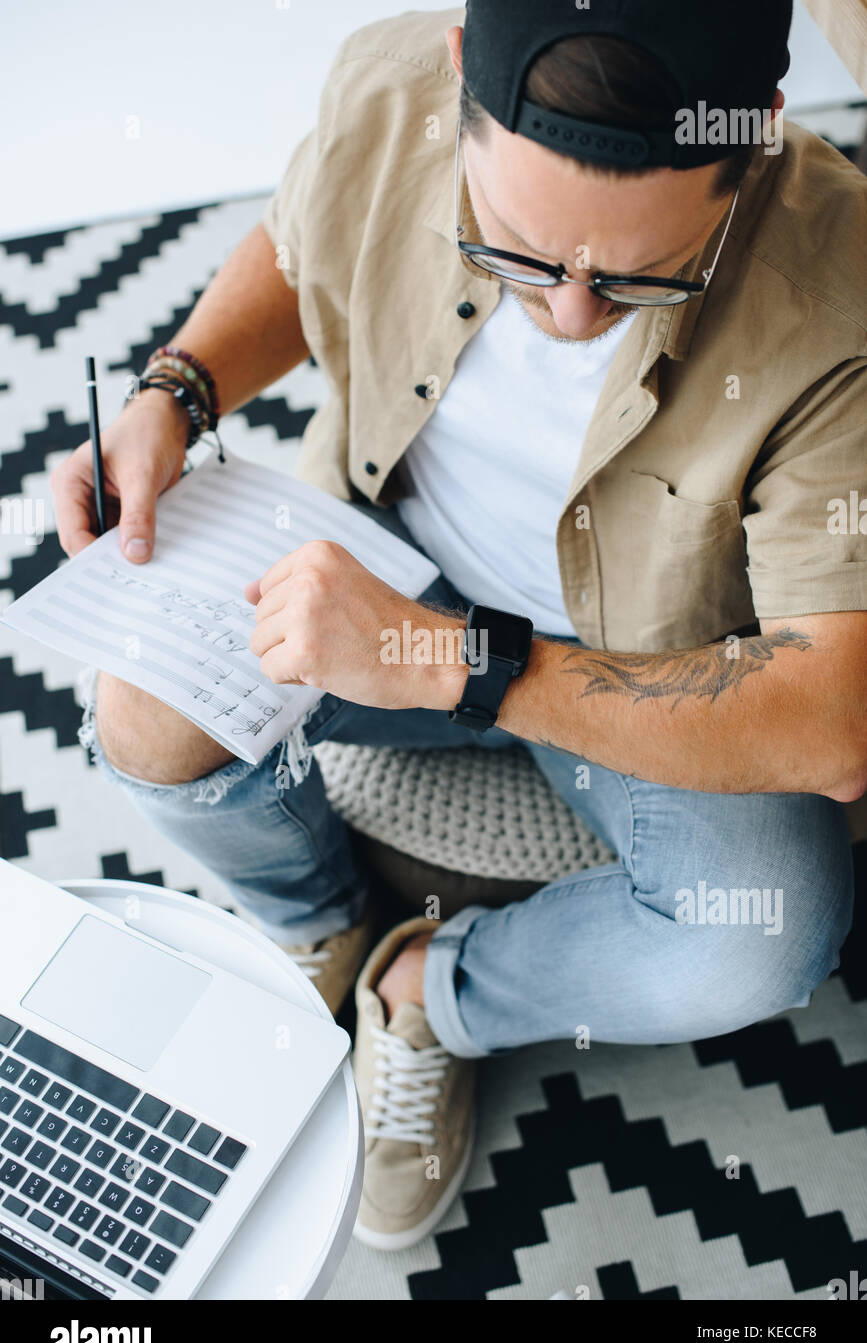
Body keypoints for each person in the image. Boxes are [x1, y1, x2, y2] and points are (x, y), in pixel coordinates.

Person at [52, 1, 867, 1250]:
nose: (575, 314)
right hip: (383, 561)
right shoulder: (387, 89)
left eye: (643, 272)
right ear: (455, 85)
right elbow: (298, 238)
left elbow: (834, 720)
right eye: (520, 252)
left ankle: (428, 990)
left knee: (760, 940)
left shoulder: (843, 286)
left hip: (646, 658)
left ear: (752, 135)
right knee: (141, 707)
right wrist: (182, 382)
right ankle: (322, 925)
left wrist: (457, 667)